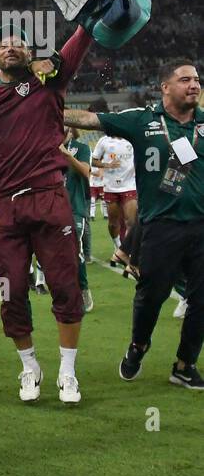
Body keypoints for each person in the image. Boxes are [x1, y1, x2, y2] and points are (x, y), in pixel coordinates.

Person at [64, 60, 204, 390]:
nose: (194, 85)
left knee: (202, 300)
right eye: (185, 80)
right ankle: (138, 346)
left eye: (197, 79)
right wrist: (39, 104)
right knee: (151, 296)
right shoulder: (143, 120)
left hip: (201, 227)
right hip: (160, 227)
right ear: (165, 87)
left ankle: (185, 364)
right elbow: (88, 119)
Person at [0, 26, 92, 404]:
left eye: (18, 44)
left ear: (30, 53)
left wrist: (89, 17)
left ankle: (67, 372)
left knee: (66, 286)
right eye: (3, 45)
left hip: (48, 199)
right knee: (10, 292)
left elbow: (77, 46)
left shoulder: (49, 83)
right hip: (4, 207)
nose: (10, 48)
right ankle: (29, 366)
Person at [59, 126, 95, 313]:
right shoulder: (47, 148)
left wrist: (67, 155)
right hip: (51, 209)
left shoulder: (81, 148)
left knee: (74, 248)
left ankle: (83, 289)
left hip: (74, 207)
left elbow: (85, 172)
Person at [92, 133, 137, 266]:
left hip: (129, 185)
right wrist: (107, 165)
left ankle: (127, 251)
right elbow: (93, 160)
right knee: (113, 224)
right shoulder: (103, 141)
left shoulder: (131, 137)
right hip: (111, 187)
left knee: (131, 222)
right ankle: (118, 247)